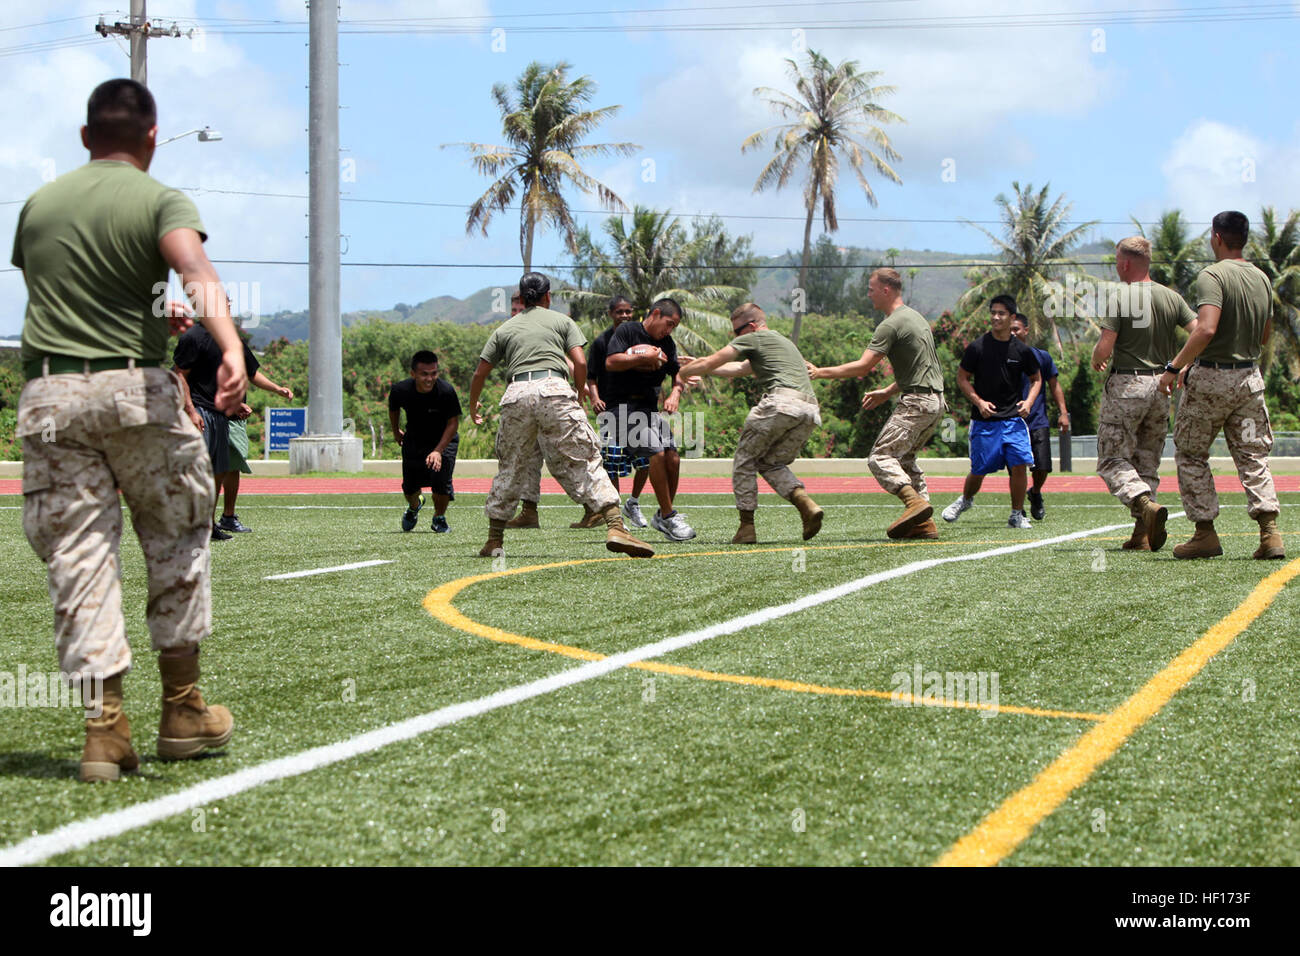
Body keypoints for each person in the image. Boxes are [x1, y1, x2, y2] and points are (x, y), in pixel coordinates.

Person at [12, 79, 239, 782]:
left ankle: (104, 731)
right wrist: (225, 341)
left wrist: (152, 312)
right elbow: (192, 266)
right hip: (135, 391)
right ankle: (183, 710)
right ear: (150, 135)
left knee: (79, 557)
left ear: (84, 137)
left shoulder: (38, 206)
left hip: (52, 396)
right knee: (175, 536)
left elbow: (78, 293)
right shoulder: (160, 198)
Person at [468, 272, 653, 558]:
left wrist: (473, 404)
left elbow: (480, 372)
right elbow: (579, 361)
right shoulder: (562, 321)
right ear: (548, 296)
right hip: (554, 388)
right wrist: (579, 392)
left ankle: (494, 540)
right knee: (585, 457)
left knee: (511, 466)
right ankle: (616, 525)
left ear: (521, 297)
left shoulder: (506, 328)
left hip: (516, 392)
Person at [1159, 210, 1284, 560]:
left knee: (1191, 451)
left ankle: (1205, 534)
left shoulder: (1211, 276)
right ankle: (1270, 533)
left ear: (1216, 237)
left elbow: (1206, 328)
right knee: (1252, 454)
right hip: (1249, 379)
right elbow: (1265, 334)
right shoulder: (1262, 278)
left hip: (1212, 380)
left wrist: (1175, 366)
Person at [807, 267, 945, 540]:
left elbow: (862, 367)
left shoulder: (890, 324)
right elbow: (923, 369)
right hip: (936, 402)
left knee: (881, 458)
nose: (868, 294)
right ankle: (924, 524)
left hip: (917, 402)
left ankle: (915, 504)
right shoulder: (916, 318)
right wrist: (887, 392)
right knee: (905, 459)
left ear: (886, 290)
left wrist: (819, 372)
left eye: (871, 289)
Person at [679, 304, 823, 543]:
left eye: (737, 332)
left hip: (780, 404)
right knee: (771, 463)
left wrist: (683, 372)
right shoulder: (782, 342)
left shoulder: (755, 338)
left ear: (752, 326)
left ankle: (747, 528)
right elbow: (738, 368)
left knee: (744, 461)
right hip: (809, 411)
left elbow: (712, 361)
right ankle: (806, 505)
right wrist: (702, 363)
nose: (736, 337)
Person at [1091, 236, 1196, 551]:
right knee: (1147, 461)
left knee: (1111, 459)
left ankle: (1143, 504)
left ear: (1124, 263)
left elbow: (1105, 346)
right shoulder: (1171, 297)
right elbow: (1198, 332)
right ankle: (1142, 535)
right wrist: (1181, 366)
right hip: (1161, 386)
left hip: (1127, 386)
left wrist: (1097, 357)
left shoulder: (1120, 296)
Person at [942, 295, 1042, 529]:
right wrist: (978, 402)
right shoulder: (977, 347)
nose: (996, 317)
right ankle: (966, 500)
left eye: (1002, 313)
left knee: (1019, 465)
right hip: (985, 421)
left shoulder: (1022, 350)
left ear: (1012, 317)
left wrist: (1028, 403)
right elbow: (962, 378)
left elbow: (1036, 379)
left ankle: (1016, 514)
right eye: (993, 313)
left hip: (1014, 421)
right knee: (979, 470)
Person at [602, 298, 695, 541]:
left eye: (673, 327)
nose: (669, 330)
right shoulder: (628, 330)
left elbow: (679, 374)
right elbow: (611, 362)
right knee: (656, 452)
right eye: (669, 323)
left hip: (648, 410)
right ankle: (668, 515)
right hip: (621, 408)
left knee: (672, 455)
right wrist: (643, 357)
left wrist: (675, 393)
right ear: (655, 313)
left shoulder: (667, 342)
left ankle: (664, 518)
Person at [579, 295, 651, 529]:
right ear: (611, 314)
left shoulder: (642, 340)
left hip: (640, 408)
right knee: (613, 464)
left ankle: (634, 503)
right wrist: (595, 398)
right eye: (619, 312)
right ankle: (616, 512)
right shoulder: (602, 342)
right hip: (612, 410)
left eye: (628, 311)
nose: (624, 316)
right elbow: (591, 378)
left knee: (646, 460)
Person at [389, 350, 461, 533]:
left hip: (444, 439)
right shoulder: (400, 390)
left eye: (434, 373)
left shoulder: (446, 391)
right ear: (413, 374)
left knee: (441, 481)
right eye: (424, 374)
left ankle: (439, 518)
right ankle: (414, 506)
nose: (430, 379)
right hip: (414, 439)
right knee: (409, 488)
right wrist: (395, 430)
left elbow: (453, 424)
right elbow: (394, 409)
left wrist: (438, 450)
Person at [1010, 313, 1070, 521]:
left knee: (1042, 466)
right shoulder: (1002, 360)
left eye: (1016, 329)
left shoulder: (1042, 357)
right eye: (1009, 329)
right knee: (1016, 468)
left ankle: (1035, 493)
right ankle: (1018, 509)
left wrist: (1063, 413)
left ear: (1026, 331)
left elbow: (1054, 385)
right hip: (1012, 422)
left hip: (1038, 420)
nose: (1012, 333)